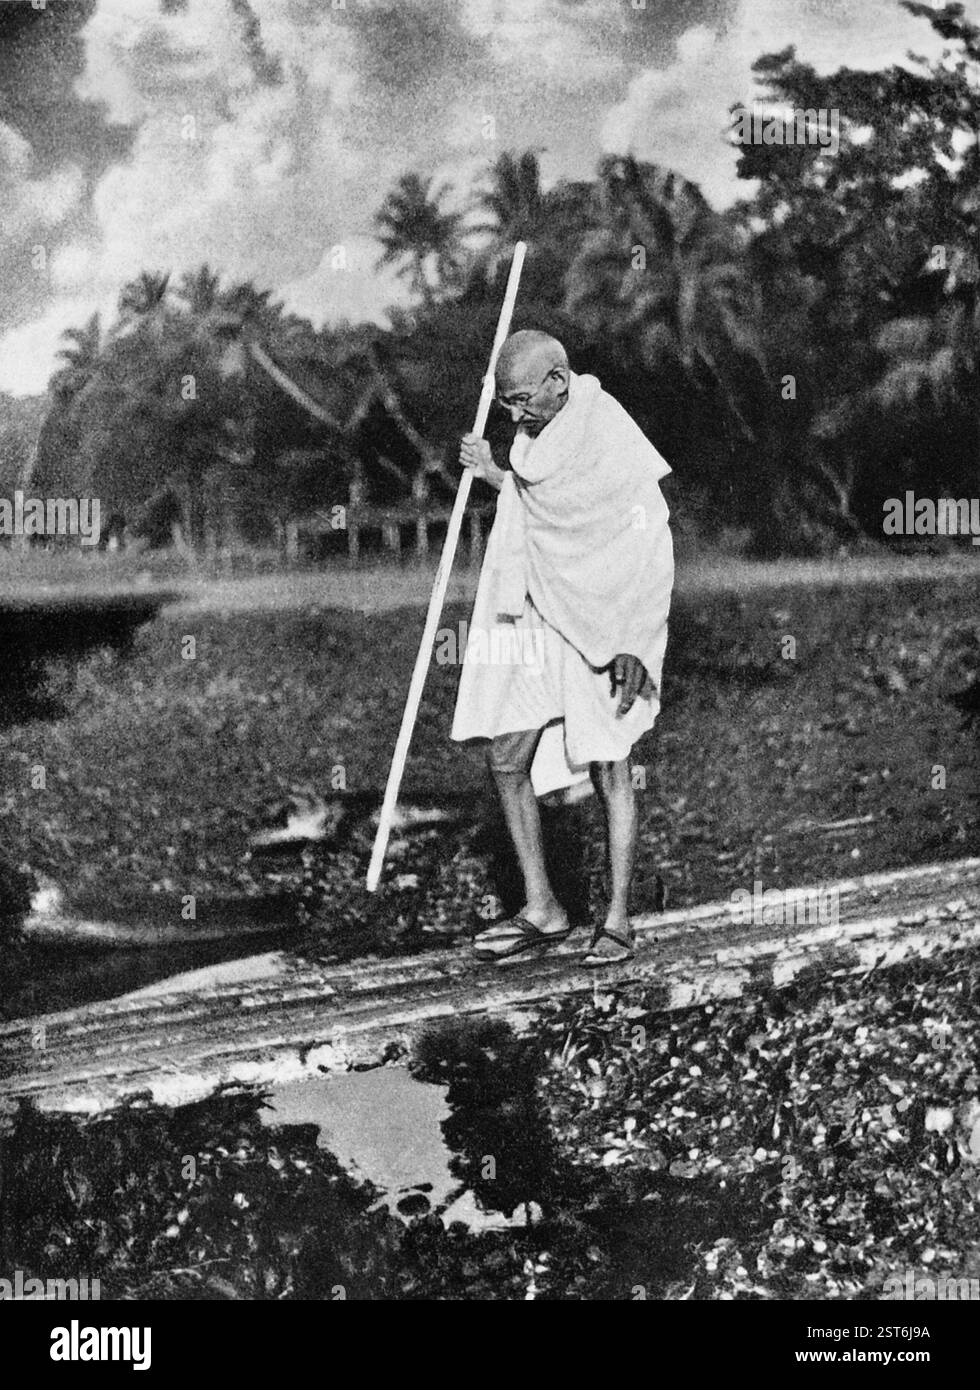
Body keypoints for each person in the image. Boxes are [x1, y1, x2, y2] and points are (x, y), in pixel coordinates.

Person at [451, 330, 674, 964]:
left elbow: (650, 539)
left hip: (603, 619)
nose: (517, 415)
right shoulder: (531, 441)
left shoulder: (606, 431)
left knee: (608, 761)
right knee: (505, 757)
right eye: (507, 407)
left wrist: (633, 639)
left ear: (559, 379)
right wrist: (493, 469)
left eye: (523, 400)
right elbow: (535, 509)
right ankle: (543, 907)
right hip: (538, 611)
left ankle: (619, 919)